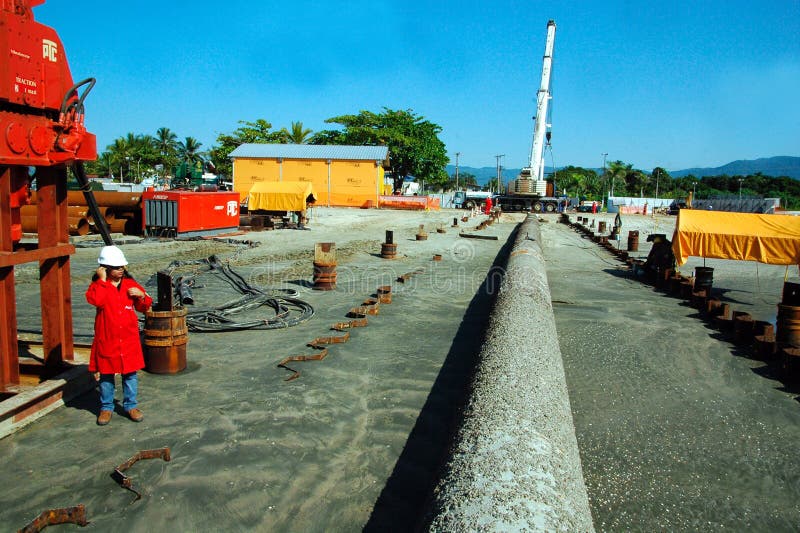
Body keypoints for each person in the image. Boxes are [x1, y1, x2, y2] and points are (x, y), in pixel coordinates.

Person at [86, 245, 152, 425]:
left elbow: (145, 306)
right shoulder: (98, 286)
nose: (121, 269)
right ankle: (106, 407)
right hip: (108, 338)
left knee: (130, 374)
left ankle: (131, 405)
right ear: (105, 268)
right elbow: (96, 300)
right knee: (106, 375)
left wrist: (141, 296)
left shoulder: (130, 285)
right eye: (116, 267)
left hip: (128, 338)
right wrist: (101, 281)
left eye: (122, 266)